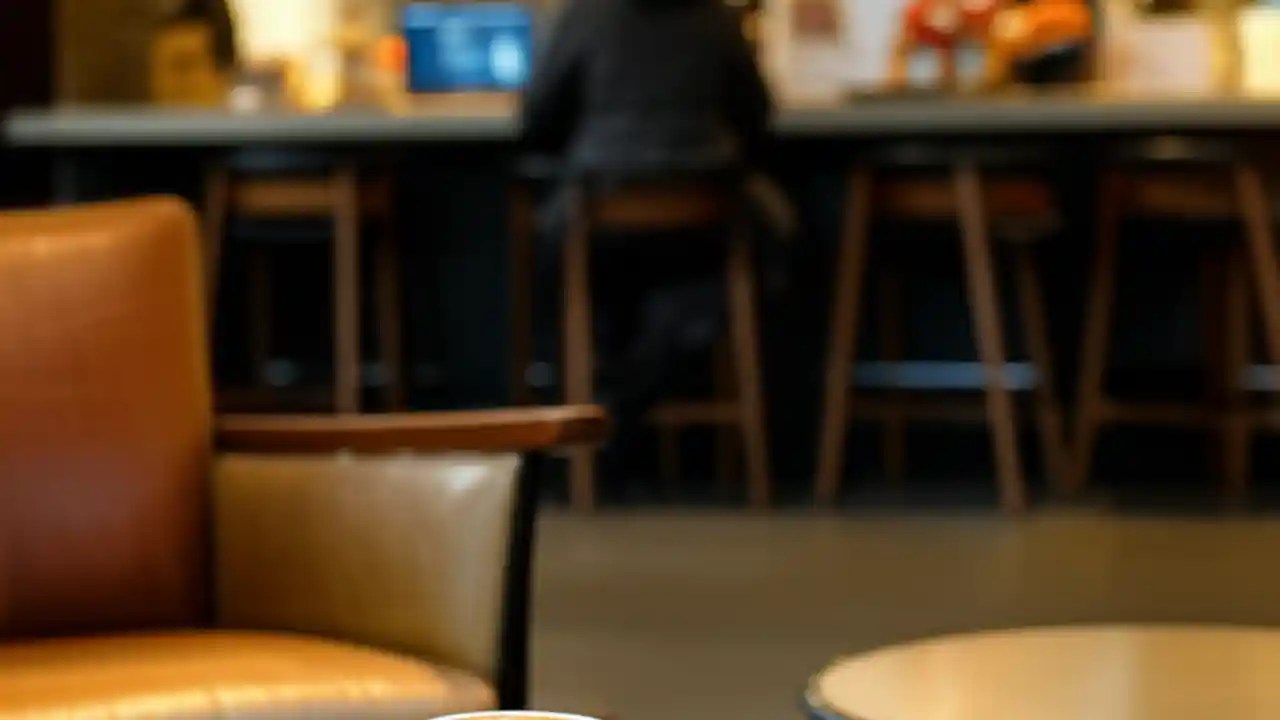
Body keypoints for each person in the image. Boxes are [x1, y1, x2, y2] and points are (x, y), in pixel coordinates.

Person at [521, 0, 788, 493]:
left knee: (555, 277)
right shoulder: (719, 22)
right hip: (706, 225)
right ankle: (640, 394)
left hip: (600, 223)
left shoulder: (585, 18)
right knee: (758, 261)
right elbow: (758, 119)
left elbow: (538, 120)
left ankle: (602, 412)